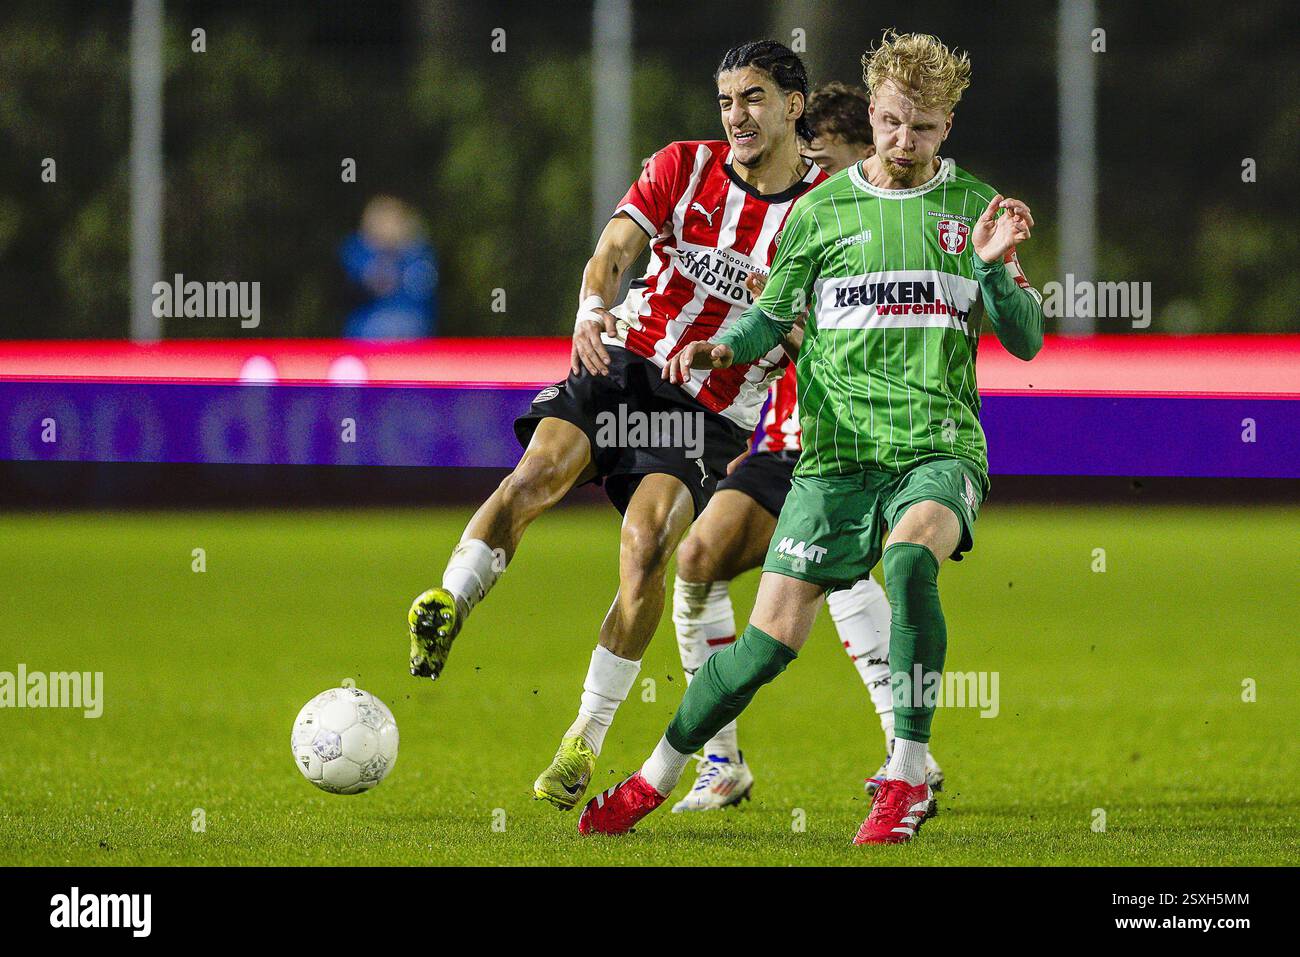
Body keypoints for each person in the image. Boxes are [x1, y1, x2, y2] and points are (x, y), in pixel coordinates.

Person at [578, 30, 1044, 845]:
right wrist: (721, 348)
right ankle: (656, 774)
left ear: (947, 125)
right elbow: (768, 318)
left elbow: (1028, 339)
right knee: (765, 647)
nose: (904, 141)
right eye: (892, 122)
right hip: (833, 461)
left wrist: (994, 271)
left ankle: (907, 773)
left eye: (923, 127)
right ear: (873, 113)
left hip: (936, 449)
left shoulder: (978, 210)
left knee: (909, 561)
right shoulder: (821, 212)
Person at [406, 40, 827, 811]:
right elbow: (611, 254)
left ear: (794, 106)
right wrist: (590, 310)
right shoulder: (683, 166)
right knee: (534, 475)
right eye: (726, 100)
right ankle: (449, 602)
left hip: (708, 410)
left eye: (754, 97)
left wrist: (784, 324)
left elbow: (826, 340)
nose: (736, 115)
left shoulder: (826, 212)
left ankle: (585, 735)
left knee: (645, 547)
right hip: (625, 358)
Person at [668, 80, 942, 814]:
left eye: (826, 158)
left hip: (858, 437)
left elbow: (853, 349)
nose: (814, 174)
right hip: (786, 440)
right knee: (697, 558)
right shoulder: (808, 221)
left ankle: (909, 752)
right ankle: (720, 760)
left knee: (844, 574)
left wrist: (785, 317)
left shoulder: (892, 226)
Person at [339, 196, 438, 339]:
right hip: (365, 331)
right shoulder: (357, 251)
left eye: (391, 220)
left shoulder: (418, 253)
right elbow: (362, 284)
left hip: (410, 330)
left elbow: (422, 292)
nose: (386, 226)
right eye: (381, 220)